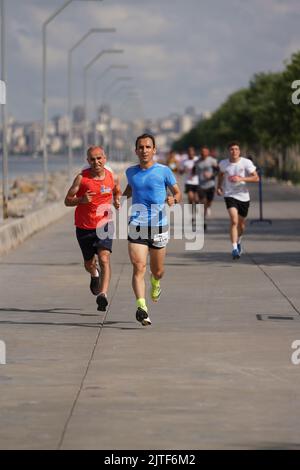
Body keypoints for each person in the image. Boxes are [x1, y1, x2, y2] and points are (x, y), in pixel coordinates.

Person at [123, 133, 181, 326]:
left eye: (148, 147)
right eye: (141, 147)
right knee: (139, 266)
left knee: (157, 271)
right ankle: (142, 308)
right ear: (136, 150)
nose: (144, 150)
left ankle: (155, 283)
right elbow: (131, 188)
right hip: (136, 224)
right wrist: (119, 196)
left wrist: (174, 199)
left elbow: (178, 193)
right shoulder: (130, 172)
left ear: (154, 150)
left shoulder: (164, 171)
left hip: (159, 225)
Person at [64, 146, 121, 311]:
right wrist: (81, 200)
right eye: (92, 159)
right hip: (84, 227)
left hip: (105, 224)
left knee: (104, 259)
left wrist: (117, 200)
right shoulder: (81, 179)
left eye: (99, 158)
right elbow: (67, 200)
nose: (96, 162)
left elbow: (116, 191)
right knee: (89, 263)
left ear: (105, 158)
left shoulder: (111, 177)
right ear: (88, 161)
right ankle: (94, 274)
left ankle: (102, 295)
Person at [217, 141, 259, 259]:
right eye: (231, 149)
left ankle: (239, 240)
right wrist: (219, 187)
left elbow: (256, 178)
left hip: (244, 196)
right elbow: (220, 175)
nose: (234, 151)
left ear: (239, 151)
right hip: (230, 195)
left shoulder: (246, 162)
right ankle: (234, 248)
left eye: (236, 149)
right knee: (234, 221)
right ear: (228, 151)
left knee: (241, 224)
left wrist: (242, 178)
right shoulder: (223, 163)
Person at [194, 145, 219, 231]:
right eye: (202, 152)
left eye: (205, 152)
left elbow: (217, 171)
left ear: (208, 153)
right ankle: (203, 221)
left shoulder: (212, 161)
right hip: (201, 186)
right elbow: (195, 172)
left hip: (211, 185)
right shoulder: (197, 162)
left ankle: (207, 208)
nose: (203, 153)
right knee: (203, 203)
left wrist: (211, 175)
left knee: (209, 203)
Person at [179, 146, 199, 227]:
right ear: (187, 153)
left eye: (192, 152)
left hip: (198, 182)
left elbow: (202, 168)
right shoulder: (184, 161)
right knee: (191, 199)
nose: (190, 153)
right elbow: (180, 172)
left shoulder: (198, 160)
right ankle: (192, 216)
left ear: (194, 152)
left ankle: (197, 215)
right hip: (189, 182)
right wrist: (184, 170)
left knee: (197, 200)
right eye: (189, 152)